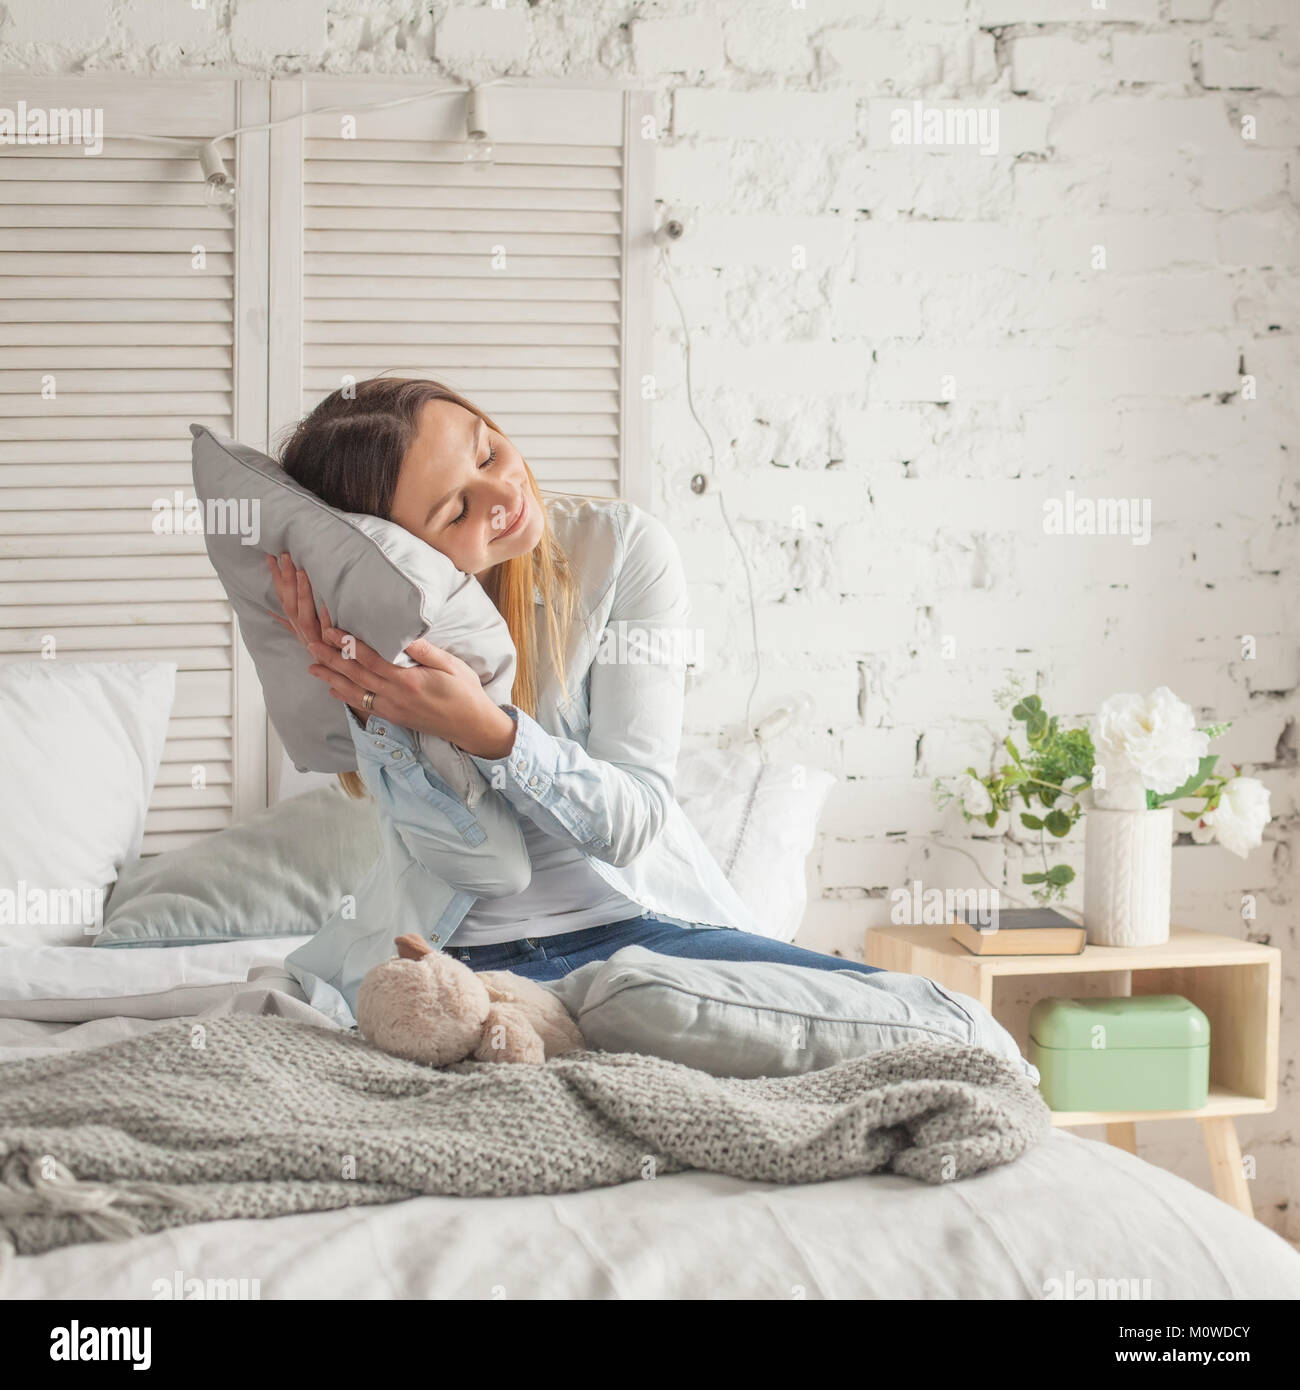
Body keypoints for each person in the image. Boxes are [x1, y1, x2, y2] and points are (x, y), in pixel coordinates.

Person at [271, 377, 880, 1029]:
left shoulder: (619, 553)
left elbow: (635, 819)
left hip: (646, 939)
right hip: (458, 960)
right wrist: (377, 706)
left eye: (488, 453)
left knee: (903, 1008)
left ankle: (593, 1013)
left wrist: (493, 734)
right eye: (456, 512)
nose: (507, 495)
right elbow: (478, 863)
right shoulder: (369, 637)